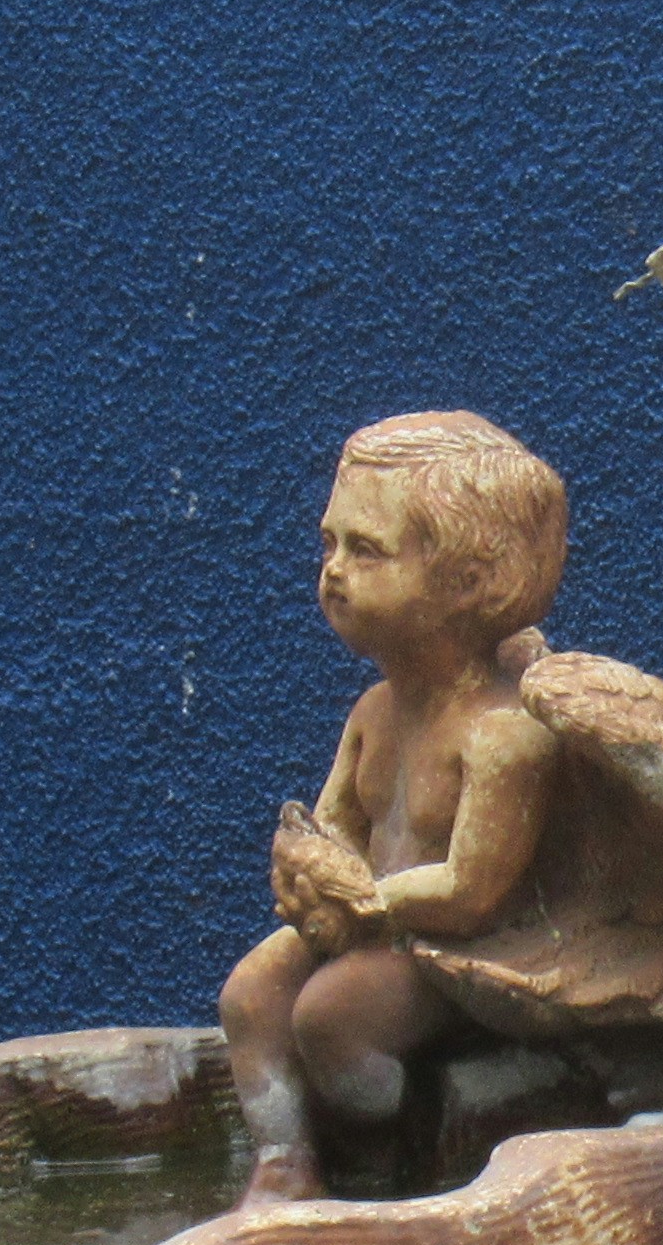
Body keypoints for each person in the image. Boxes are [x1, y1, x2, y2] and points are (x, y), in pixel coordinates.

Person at [222, 411, 568, 1199]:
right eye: (329, 544)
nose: (333, 570)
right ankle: (285, 1163)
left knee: (332, 1017)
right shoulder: (375, 714)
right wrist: (306, 870)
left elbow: (472, 890)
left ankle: (379, 1171)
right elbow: (334, 825)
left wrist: (369, 903)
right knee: (251, 992)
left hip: (463, 951)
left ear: (470, 581)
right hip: (373, 921)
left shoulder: (504, 734)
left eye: (365, 550)